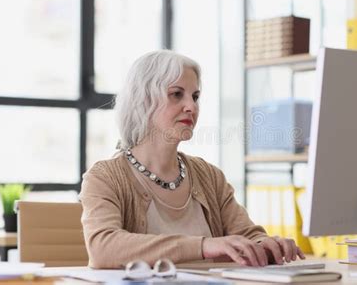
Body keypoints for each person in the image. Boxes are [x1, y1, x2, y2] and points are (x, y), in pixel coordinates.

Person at [79, 50, 305, 269]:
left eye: (195, 97)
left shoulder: (209, 176)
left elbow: (246, 235)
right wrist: (204, 246)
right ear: (144, 100)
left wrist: (265, 245)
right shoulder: (104, 177)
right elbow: (102, 248)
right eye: (177, 94)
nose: (192, 107)